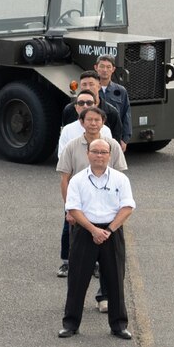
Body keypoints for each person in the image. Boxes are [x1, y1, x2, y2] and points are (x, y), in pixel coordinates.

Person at [60, 140, 134, 340]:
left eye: (103, 152)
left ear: (109, 155)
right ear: (88, 154)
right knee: (77, 279)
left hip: (112, 232)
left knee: (115, 279)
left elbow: (127, 207)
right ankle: (70, 324)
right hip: (85, 231)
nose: (99, 155)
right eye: (95, 152)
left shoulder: (120, 179)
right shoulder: (78, 180)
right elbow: (73, 207)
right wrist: (93, 230)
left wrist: (108, 230)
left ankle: (119, 325)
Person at [56, 105, 125, 309]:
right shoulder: (72, 146)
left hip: (109, 214)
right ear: (81, 122)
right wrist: (69, 210)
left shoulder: (111, 146)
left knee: (109, 263)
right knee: (79, 264)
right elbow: (64, 179)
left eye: (97, 120)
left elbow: (121, 179)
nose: (93, 123)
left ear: (103, 122)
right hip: (80, 213)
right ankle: (74, 305)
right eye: (89, 120)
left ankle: (104, 298)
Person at [93, 56, 133, 144]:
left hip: (115, 136)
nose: (105, 70)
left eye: (108, 67)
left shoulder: (121, 90)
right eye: (102, 66)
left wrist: (125, 139)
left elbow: (126, 114)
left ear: (113, 69)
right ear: (96, 67)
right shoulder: (91, 90)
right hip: (94, 136)